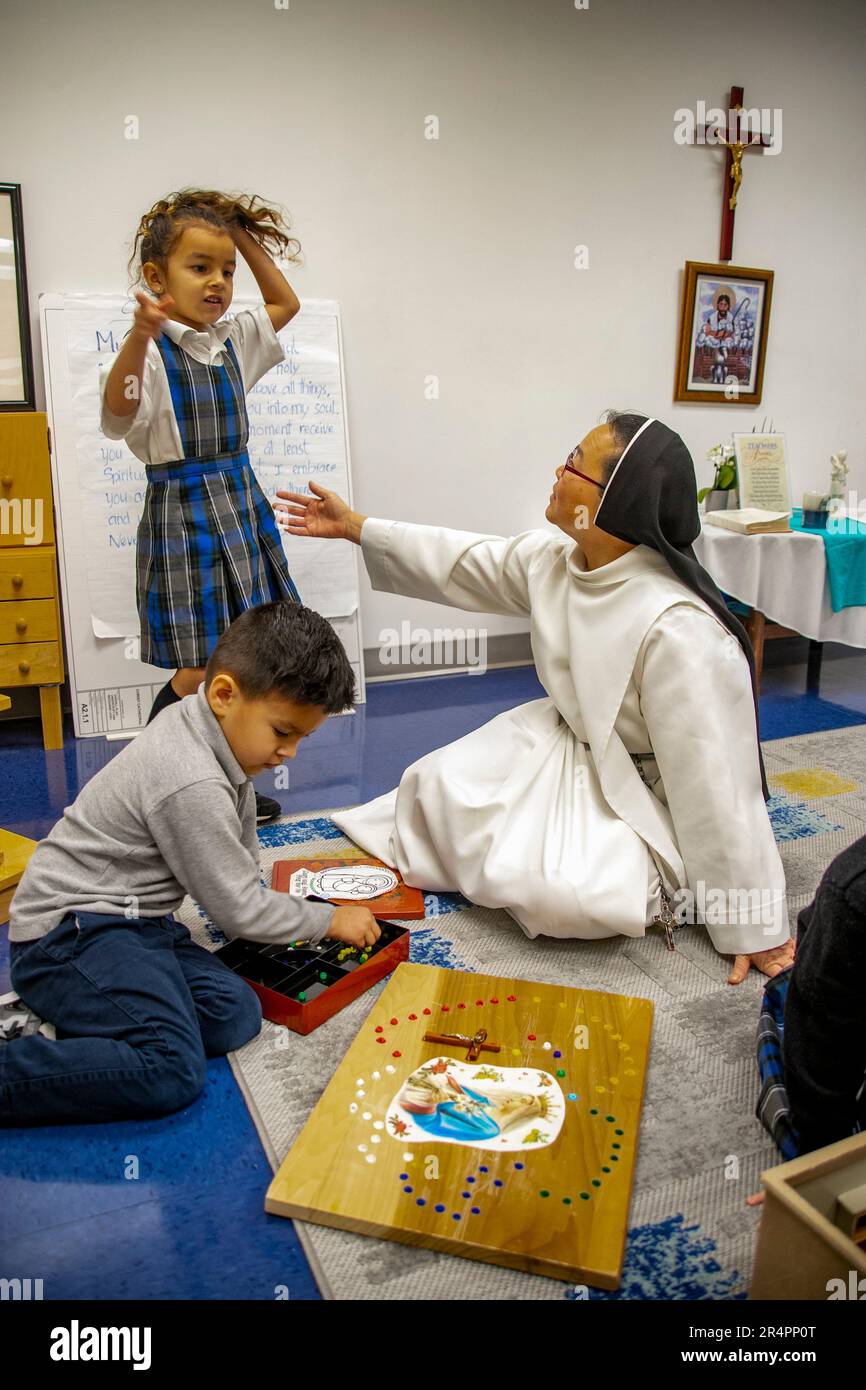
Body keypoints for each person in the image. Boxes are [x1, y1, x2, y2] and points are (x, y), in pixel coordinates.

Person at [276, 411, 794, 984]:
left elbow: (715, 783)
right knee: (433, 787)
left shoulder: (677, 628)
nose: (558, 469)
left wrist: (751, 922)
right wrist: (356, 527)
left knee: (565, 894)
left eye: (574, 463)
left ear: (612, 502)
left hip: (641, 787)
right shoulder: (558, 564)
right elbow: (464, 559)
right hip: (565, 741)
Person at [0, 603, 381, 1128]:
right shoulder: (191, 780)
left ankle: (92, 1014)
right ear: (224, 694)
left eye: (300, 738)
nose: (289, 753)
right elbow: (238, 913)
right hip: (68, 935)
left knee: (235, 1015)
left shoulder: (211, 731)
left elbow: (241, 856)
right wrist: (328, 918)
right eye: (282, 732)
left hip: (138, 923)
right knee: (170, 1068)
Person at [100, 188, 305, 823]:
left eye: (226, 271)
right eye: (200, 268)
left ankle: (220, 788)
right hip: (182, 518)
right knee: (197, 672)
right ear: (157, 278)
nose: (217, 282)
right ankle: (152, 781)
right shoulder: (153, 354)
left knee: (242, 662)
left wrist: (238, 234)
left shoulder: (232, 340)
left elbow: (285, 302)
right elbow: (116, 414)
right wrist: (139, 336)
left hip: (240, 507)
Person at [756, 834, 866, 1161]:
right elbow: (822, 1051)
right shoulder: (853, 896)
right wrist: (822, 1168)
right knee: (791, 1004)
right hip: (834, 978)